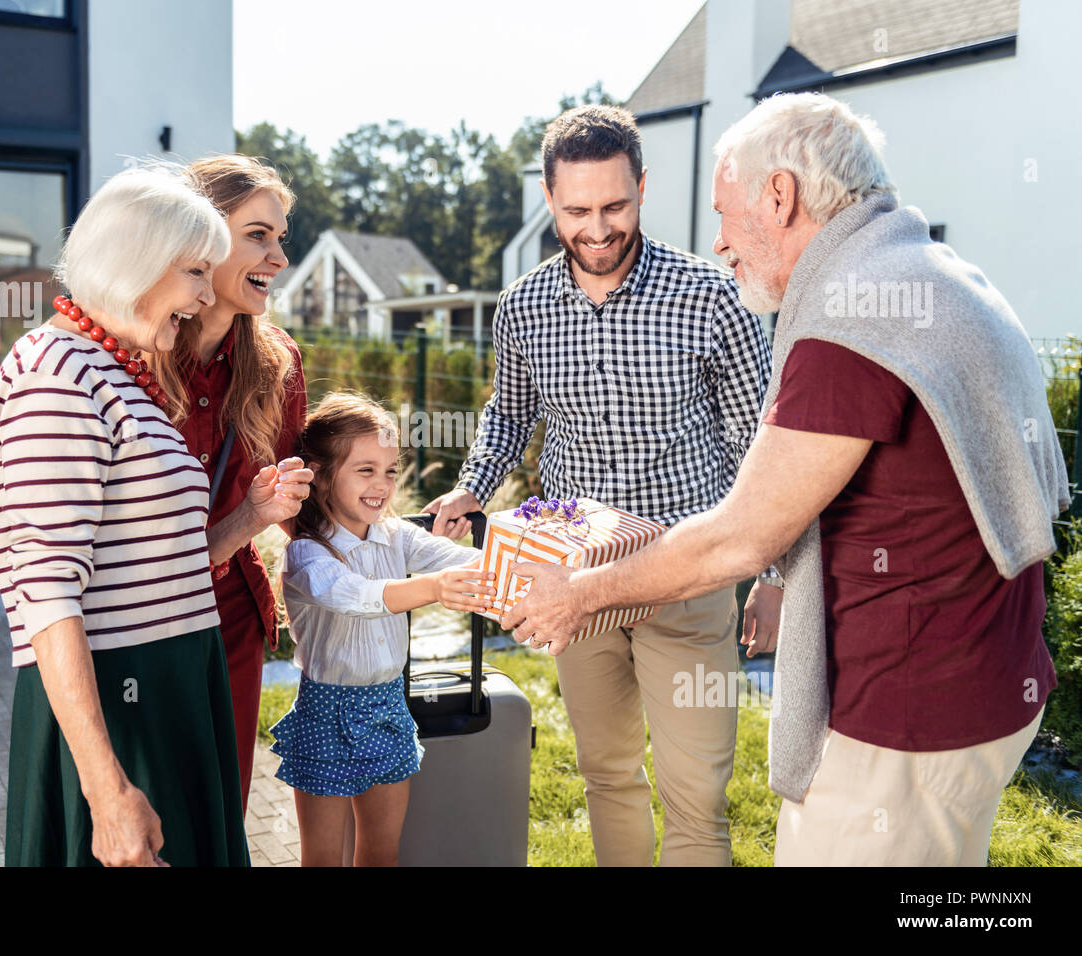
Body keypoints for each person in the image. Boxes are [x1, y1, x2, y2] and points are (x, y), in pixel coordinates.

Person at [502, 92, 1069, 867]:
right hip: (984, 685)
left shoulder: (849, 322)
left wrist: (577, 593)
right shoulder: (932, 271)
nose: (721, 241)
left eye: (728, 213)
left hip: (902, 721)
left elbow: (743, 534)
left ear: (780, 196)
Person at [425, 105, 773, 867]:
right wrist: (471, 488)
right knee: (606, 776)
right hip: (570, 580)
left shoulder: (714, 297)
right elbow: (508, 414)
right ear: (549, 199)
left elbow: (765, 448)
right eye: (577, 209)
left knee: (697, 797)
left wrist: (774, 575)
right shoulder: (523, 308)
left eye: (615, 205)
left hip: (689, 577)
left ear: (643, 187)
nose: (598, 226)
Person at [0, 164, 307, 867]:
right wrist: (106, 790)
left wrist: (250, 517)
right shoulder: (55, 374)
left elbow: (157, 563)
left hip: (174, 692)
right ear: (138, 261)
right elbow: (47, 592)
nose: (199, 293)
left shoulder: (118, 373)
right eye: (193, 270)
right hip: (122, 708)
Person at [145, 155, 310, 815]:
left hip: (232, 621)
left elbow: (299, 495)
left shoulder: (278, 363)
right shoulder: (133, 355)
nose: (278, 256)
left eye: (280, 238)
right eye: (258, 235)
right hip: (144, 622)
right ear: (201, 237)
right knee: (149, 813)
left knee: (219, 814)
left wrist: (386, 560)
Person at [271, 392, 494, 866]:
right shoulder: (307, 555)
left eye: (391, 470)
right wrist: (433, 588)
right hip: (326, 716)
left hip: (389, 706)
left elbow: (469, 560)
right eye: (366, 469)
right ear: (323, 474)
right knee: (323, 858)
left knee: (381, 851)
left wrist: (541, 557)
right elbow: (358, 598)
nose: (383, 484)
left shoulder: (396, 536)